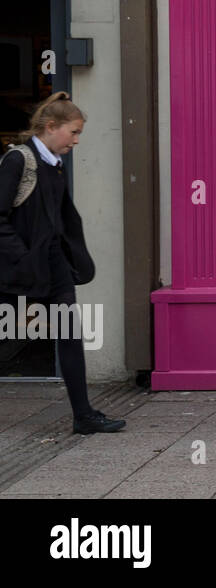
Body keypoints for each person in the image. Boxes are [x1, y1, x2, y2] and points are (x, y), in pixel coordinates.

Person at [0, 93, 125, 434]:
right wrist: (22, 258)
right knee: (10, 337)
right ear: (51, 127)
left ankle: (83, 415)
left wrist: (73, 259)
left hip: (53, 267)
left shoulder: (54, 165)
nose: (77, 140)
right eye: (73, 132)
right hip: (23, 270)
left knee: (70, 334)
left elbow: (61, 218)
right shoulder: (18, 161)